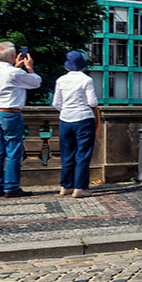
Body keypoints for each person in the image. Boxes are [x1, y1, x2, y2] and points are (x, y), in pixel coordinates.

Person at [0, 41, 42, 198]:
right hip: (9, 113)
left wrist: (16, 67)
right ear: (12, 56)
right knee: (13, 150)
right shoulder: (15, 73)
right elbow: (36, 82)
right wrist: (29, 67)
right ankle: (11, 187)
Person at [51, 50, 100, 198]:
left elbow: (56, 103)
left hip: (65, 119)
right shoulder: (86, 80)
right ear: (82, 65)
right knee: (82, 154)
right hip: (84, 119)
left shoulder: (60, 80)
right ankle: (80, 187)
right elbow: (92, 102)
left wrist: (67, 109)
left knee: (67, 154)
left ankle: (66, 186)